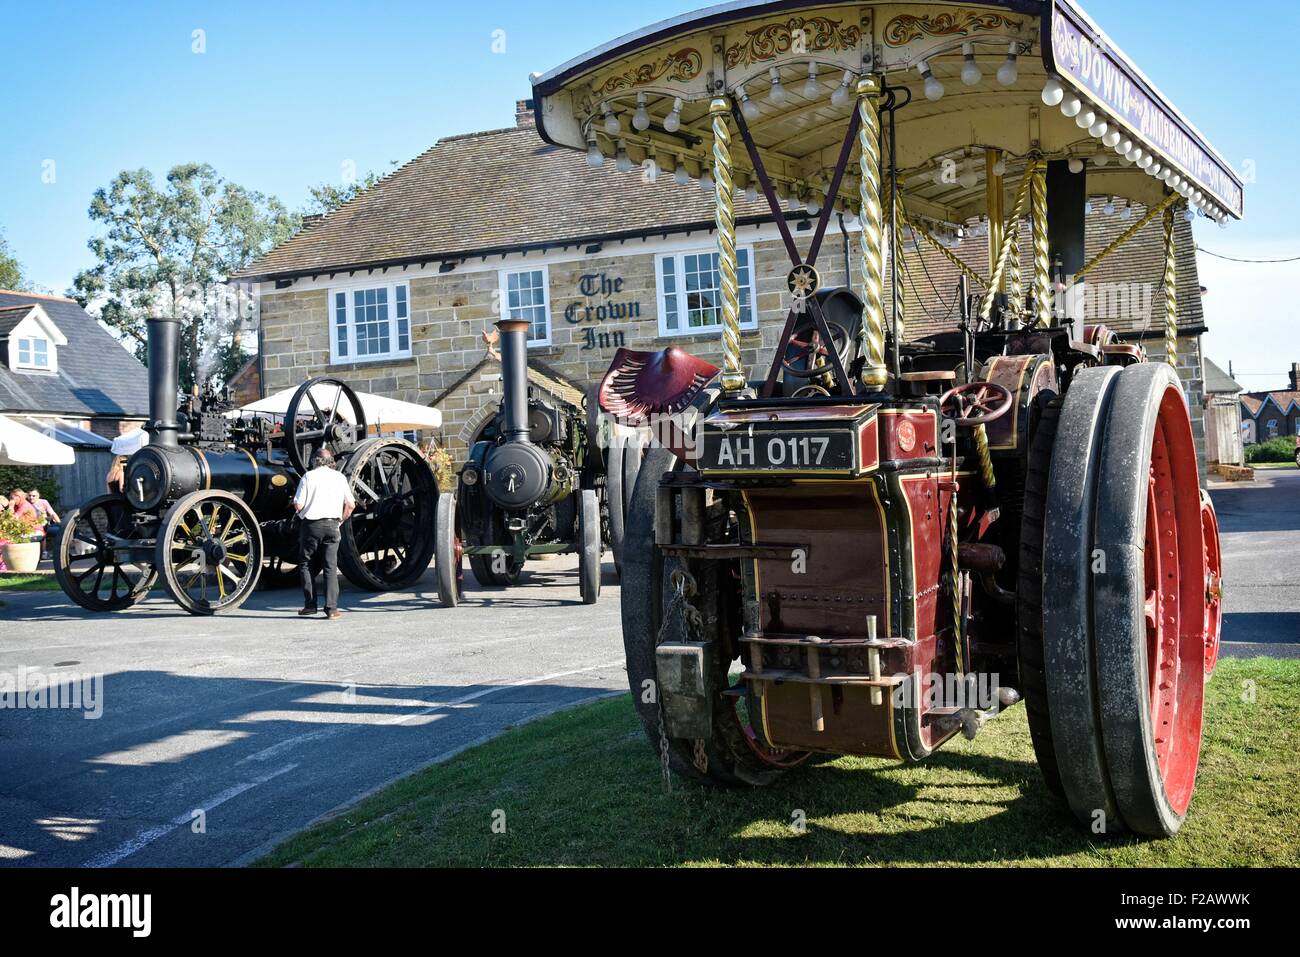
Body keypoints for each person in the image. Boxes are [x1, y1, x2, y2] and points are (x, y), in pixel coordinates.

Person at [292, 447, 355, 620]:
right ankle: (332, 609)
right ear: (330, 462)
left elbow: (298, 504)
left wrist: (302, 514)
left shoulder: (308, 476)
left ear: (315, 461)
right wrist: (339, 521)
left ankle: (310, 605)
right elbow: (351, 505)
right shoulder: (340, 477)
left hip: (311, 526)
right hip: (333, 525)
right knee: (330, 567)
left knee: (306, 563)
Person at [27, 489, 61, 558]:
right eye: (30, 496)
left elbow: (52, 513)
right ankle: (44, 552)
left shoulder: (43, 502)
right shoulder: (26, 504)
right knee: (42, 529)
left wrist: (61, 524)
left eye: (34, 496)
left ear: (38, 496)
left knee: (60, 530)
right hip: (34, 526)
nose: (31, 497)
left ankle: (58, 551)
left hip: (46, 523)